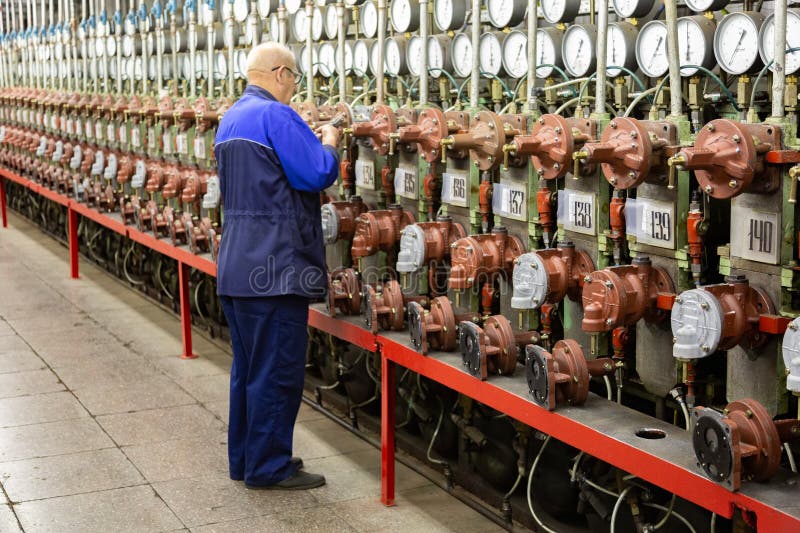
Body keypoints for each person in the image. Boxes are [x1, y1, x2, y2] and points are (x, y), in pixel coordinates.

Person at [213, 42, 341, 490]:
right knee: (278, 372)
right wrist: (330, 142)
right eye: (295, 80)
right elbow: (316, 173)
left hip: (236, 264)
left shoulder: (231, 119)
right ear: (282, 73)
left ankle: (246, 459)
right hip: (275, 269)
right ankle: (269, 468)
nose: (294, 89)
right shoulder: (277, 117)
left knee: (248, 370)